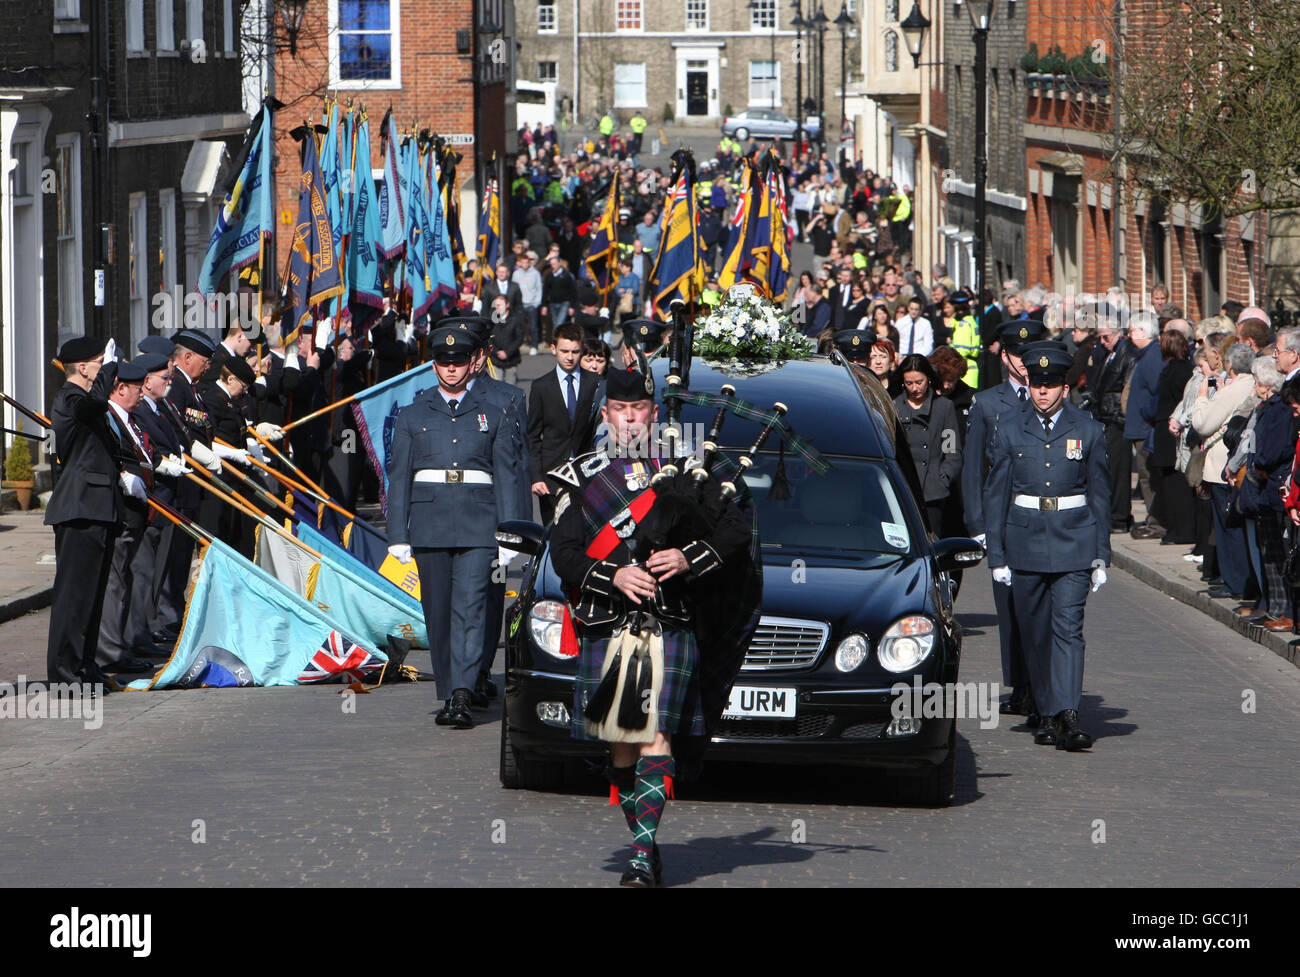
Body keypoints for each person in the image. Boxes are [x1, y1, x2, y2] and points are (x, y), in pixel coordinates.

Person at [548, 363, 751, 887]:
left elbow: (736, 528)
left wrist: (689, 558)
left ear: (654, 412)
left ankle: (641, 855)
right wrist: (613, 574)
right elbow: (564, 553)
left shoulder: (692, 466)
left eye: (639, 408)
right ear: (606, 415)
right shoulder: (585, 473)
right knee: (621, 744)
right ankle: (645, 838)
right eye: (620, 410)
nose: (631, 419)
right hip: (611, 622)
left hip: (670, 618)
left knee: (657, 733)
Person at [384, 325, 526, 730]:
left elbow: (507, 475)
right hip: (429, 525)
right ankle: (447, 691)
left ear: (471, 364)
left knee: (471, 609)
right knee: (439, 614)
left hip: (479, 524)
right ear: (433, 366)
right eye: (444, 362)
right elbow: (400, 479)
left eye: (458, 361)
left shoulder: (493, 415)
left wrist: (509, 533)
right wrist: (398, 534)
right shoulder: (413, 414)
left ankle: (463, 692)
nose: (451, 368)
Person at [984, 343, 1111, 752]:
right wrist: (997, 556)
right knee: (1035, 634)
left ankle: (1067, 713)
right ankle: (1044, 708)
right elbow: (996, 495)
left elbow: (1100, 495)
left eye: (1050, 384)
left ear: (1064, 387)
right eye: (1037, 384)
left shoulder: (1088, 429)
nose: (1042, 392)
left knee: (1068, 631)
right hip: (1025, 542)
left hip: (1074, 540)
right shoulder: (1009, 427)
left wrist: (1101, 554)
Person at [961, 318, 1047, 720]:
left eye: (1030, 356)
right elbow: (973, 468)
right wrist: (977, 525)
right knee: (1010, 607)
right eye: (1017, 355)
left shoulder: (1051, 397)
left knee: (1043, 606)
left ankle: (1041, 682)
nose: (1025, 365)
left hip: (1045, 520)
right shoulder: (988, 403)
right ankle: (1020, 682)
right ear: (1005, 356)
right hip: (1004, 519)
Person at [44, 337, 125, 689]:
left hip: (98, 508)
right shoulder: (71, 398)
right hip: (79, 508)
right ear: (82, 367)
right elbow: (93, 406)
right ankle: (65, 673)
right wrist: (108, 372)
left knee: (91, 596)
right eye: (98, 362)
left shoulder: (88, 400)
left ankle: (85, 666)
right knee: (73, 596)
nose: (102, 367)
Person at [1191, 343, 1258, 601]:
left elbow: (1202, 423)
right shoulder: (1246, 385)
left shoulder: (1234, 388)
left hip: (1223, 464)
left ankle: (1236, 582)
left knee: (1227, 527)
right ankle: (1236, 580)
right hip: (1232, 464)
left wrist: (1200, 396)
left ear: (1230, 364)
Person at [527, 323, 602, 523]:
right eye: (564, 351)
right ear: (553, 349)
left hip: (587, 476)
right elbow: (532, 435)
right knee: (553, 538)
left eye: (575, 352)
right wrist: (536, 477)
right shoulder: (541, 386)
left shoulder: (594, 383)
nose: (569, 357)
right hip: (551, 478)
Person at [894, 354, 963, 537]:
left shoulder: (943, 407)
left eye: (919, 382)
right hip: (903, 487)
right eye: (909, 383)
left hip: (933, 491)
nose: (915, 388)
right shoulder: (895, 407)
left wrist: (943, 478)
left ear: (929, 379)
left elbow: (952, 449)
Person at [1146, 329, 1196, 545]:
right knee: (1169, 484)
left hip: (1172, 434)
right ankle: (1176, 527)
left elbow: (1182, 402)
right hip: (1164, 431)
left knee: (1176, 485)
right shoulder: (1174, 370)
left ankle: (1181, 530)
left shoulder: (1180, 371)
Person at [1125, 312, 1165, 539]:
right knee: (1145, 477)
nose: (1129, 335)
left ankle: (1157, 523)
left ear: (1142, 331)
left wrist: (1147, 415)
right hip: (1140, 427)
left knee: (1148, 478)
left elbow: (1157, 394)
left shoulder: (1152, 358)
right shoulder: (1146, 355)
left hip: (1145, 429)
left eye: (1132, 330)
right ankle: (1153, 519)